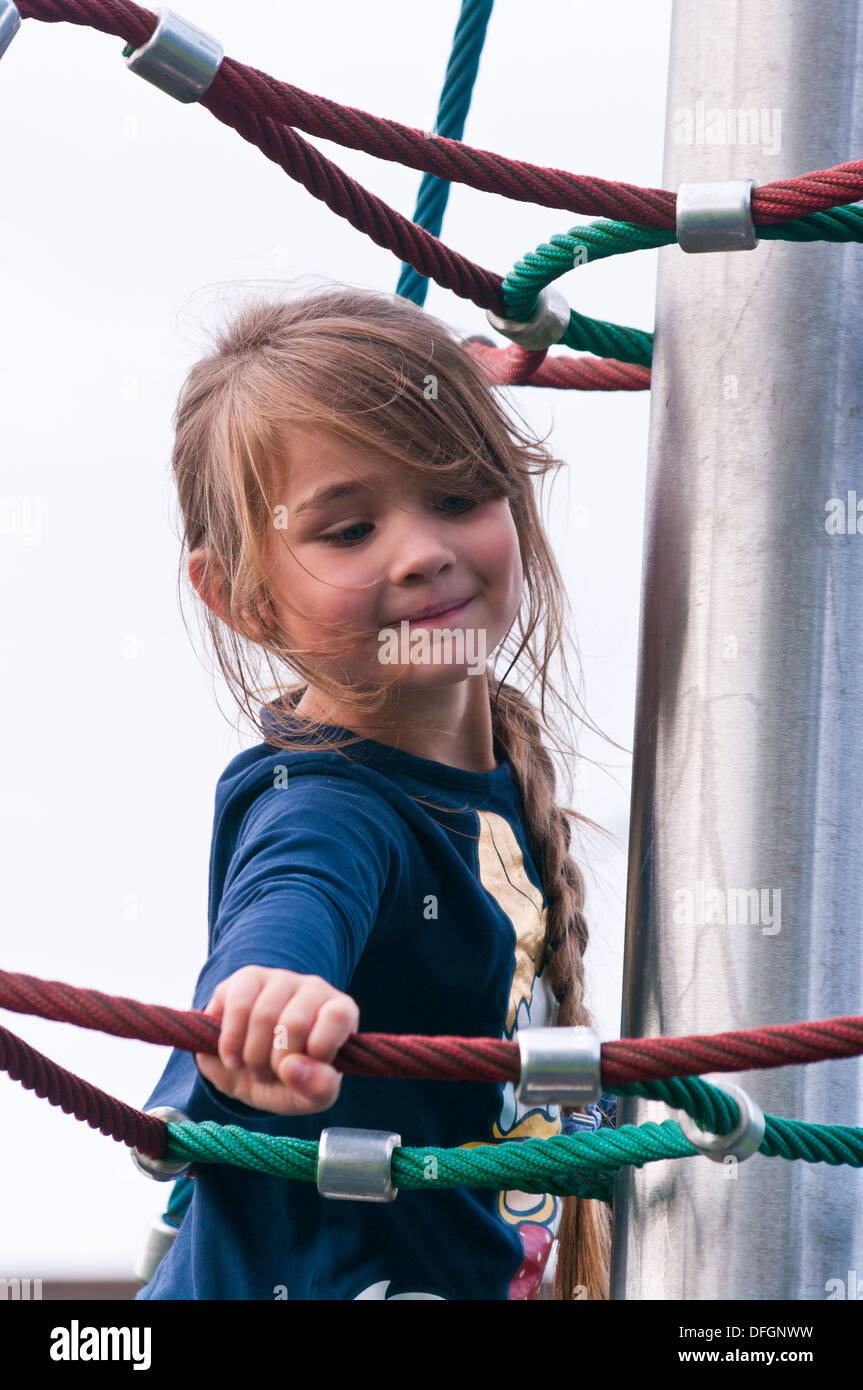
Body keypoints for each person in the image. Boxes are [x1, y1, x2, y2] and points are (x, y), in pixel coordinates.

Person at [134, 279, 619, 1302]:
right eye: (348, 531)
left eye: (455, 495)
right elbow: (293, 898)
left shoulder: (485, 789)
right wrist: (270, 990)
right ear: (243, 596)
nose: (424, 552)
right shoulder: (329, 806)